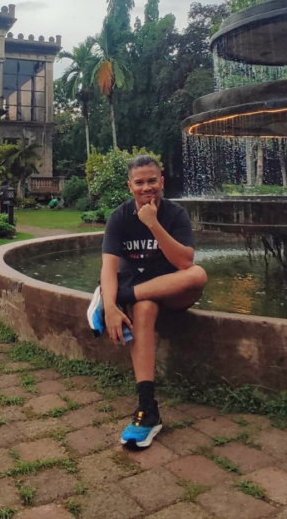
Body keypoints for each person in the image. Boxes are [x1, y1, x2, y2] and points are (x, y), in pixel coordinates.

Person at [86, 155, 206, 448]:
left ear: (161, 181)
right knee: (143, 308)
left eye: (152, 180)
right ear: (130, 187)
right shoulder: (120, 217)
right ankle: (147, 409)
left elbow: (184, 262)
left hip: (170, 288)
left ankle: (108, 296)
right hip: (142, 293)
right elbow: (109, 267)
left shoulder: (174, 214)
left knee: (198, 274)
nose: (147, 187)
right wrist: (113, 309)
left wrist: (153, 224)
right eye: (139, 182)